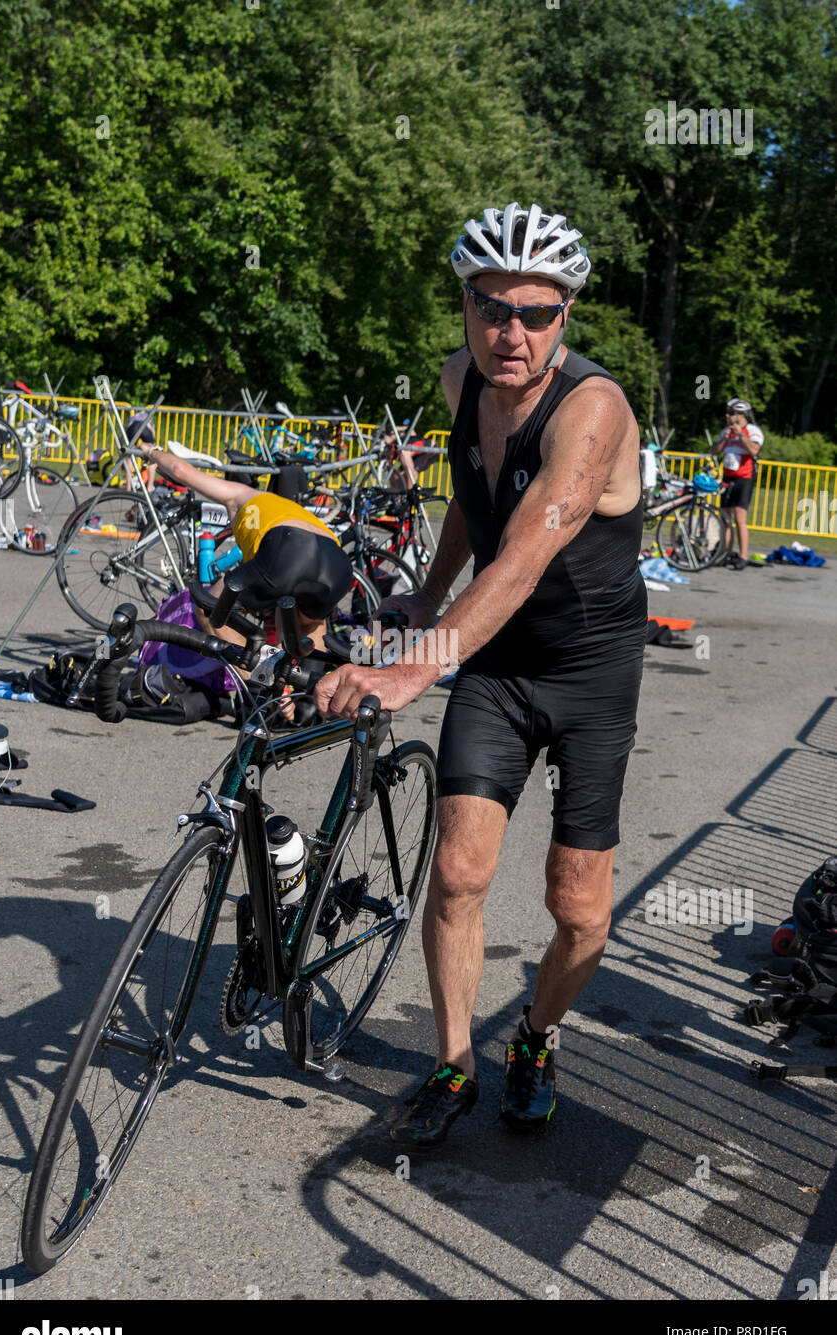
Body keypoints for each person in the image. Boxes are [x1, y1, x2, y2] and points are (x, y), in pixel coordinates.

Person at [313, 201, 647, 1145]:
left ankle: (536, 1037)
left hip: (591, 672)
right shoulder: (463, 378)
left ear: (566, 317)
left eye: (537, 313)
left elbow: (522, 558)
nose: (513, 332)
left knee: (577, 910)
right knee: (458, 873)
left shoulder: (592, 410)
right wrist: (424, 596)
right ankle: (455, 1063)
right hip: (495, 665)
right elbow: (475, 500)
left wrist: (408, 671)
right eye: (492, 307)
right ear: (465, 307)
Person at [135, 440, 350, 703]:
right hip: (337, 564)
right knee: (302, 631)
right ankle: (306, 703)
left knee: (208, 607)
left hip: (287, 549)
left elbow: (180, 470)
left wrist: (151, 452)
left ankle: (255, 688)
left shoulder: (239, 494)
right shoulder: (289, 508)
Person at [710, 398, 764, 571]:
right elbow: (714, 451)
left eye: (732, 413)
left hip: (744, 478)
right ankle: (724, 553)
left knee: (740, 518)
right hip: (728, 478)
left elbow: (755, 450)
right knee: (725, 519)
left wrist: (740, 434)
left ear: (741, 415)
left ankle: (743, 556)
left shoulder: (752, 430)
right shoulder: (726, 430)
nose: (728, 416)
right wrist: (724, 439)